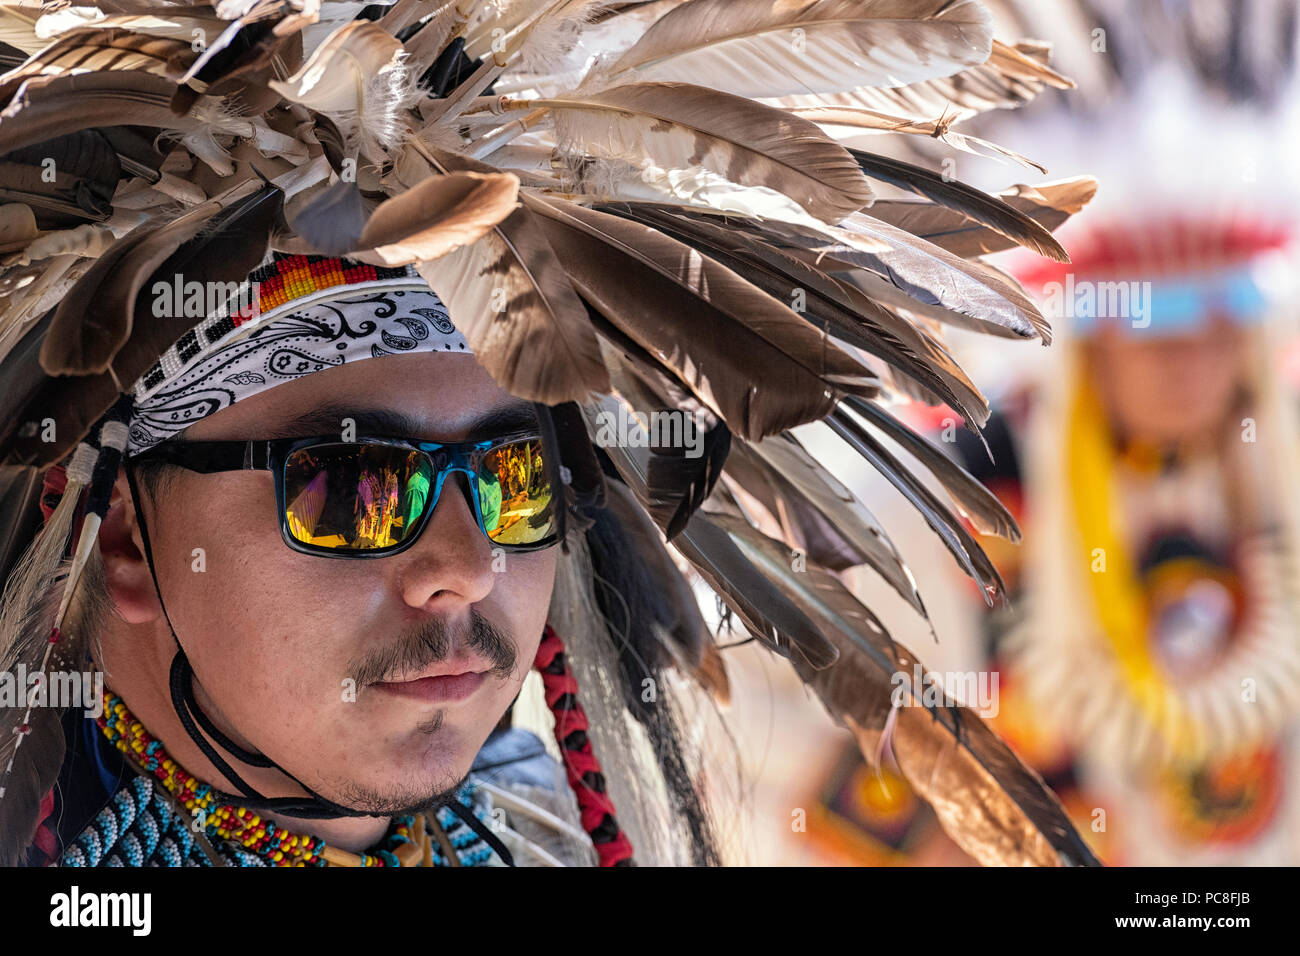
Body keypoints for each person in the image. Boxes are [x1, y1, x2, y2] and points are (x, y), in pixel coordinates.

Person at [0, 0, 1096, 867]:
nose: (468, 568)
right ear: (129, 537)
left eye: (514, 476)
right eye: (350, 488)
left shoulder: (544, 829)